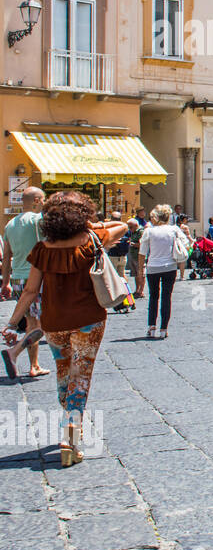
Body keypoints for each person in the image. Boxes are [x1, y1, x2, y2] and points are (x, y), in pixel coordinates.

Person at [3, 193, 125, 465]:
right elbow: (125, 227)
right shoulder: (92, 240)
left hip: (54, 321)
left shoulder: (42, 249)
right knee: (81, 375)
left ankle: (71, 416)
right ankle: (71, 433)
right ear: (83, 214)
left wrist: (13, 323)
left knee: (63, 372)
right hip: (89, 318)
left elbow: (31, 291)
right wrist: (91, 226)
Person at [1, 186, 49, 380]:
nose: (44, 203)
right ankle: (15, 352)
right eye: (43, 199)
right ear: (37, 200)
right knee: (43, 325)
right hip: (35, 278)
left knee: (31, 323)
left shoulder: (10, 225)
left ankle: (34, 365)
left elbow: (6, 257)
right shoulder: (38, 221)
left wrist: (5, 282)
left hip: (17, 278)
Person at [138, 204, 186, 338]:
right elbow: (186, 243)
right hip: (169, 266)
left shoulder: (149, 231)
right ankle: (164, 328)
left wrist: (140, 270)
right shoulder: (174, 229)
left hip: (152, 267)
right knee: (166, 297)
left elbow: (142, 253)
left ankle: (152, 326)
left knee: (153, 297)